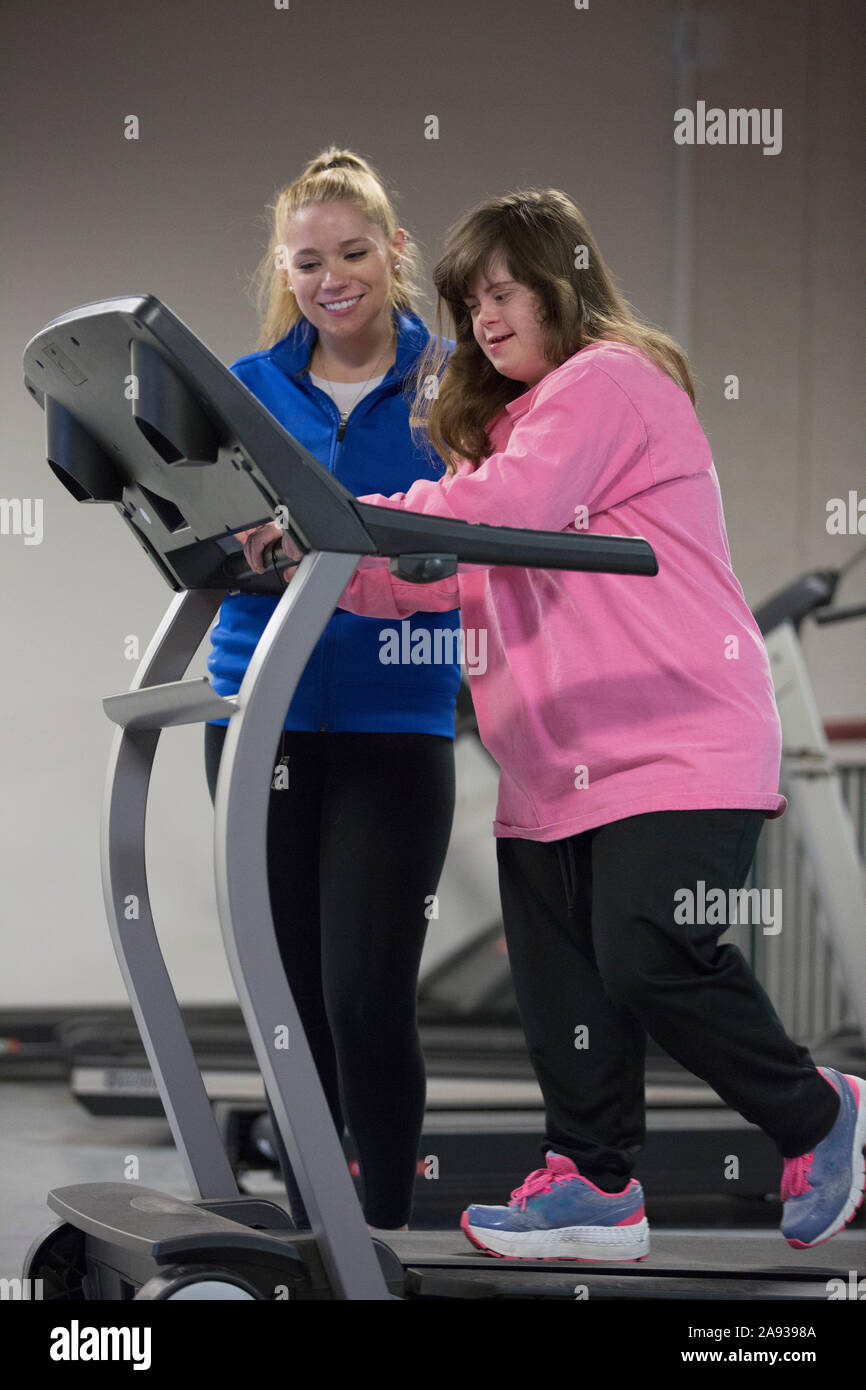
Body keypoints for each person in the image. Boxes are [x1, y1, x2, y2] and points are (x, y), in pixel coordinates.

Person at [244, 187, 866, 1259]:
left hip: (670, 746)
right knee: (561, 989)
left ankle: (821, 1114)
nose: (482, 317)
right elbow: (440, 574)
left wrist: (340, 525)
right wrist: (327, 568)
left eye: (502, 291)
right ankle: (591, 1184)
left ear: (558, 283)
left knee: (644, 955)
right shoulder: (506, 437)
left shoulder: (607, 384)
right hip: (551, 764)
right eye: (466, 301)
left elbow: (506, 514)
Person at [206, 148, 460, 1232]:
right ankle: (317, 1230)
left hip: (394, 718)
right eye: (307, 261)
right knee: (288, 1004)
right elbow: (203, 537)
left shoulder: (454, 379)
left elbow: (471, 535)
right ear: (285, 268)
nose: (331, 278)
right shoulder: (245, 387)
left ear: (391, 251)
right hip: (255, 710)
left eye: (352, 253)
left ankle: (388, 1237)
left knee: (364, 994)